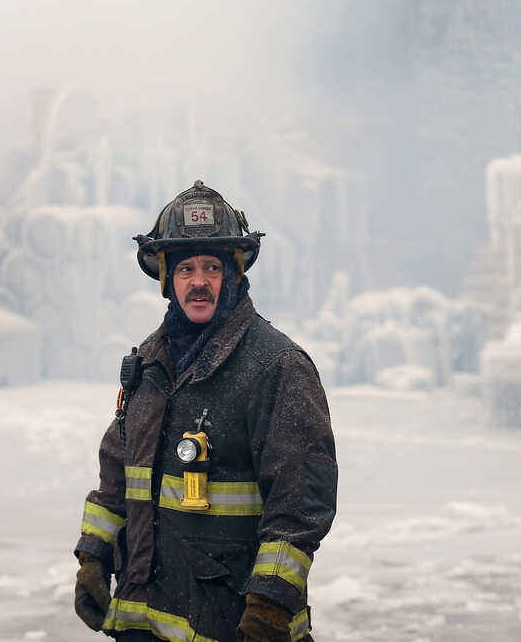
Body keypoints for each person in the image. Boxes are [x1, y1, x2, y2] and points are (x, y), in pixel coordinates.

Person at [73, 180, 338, 642]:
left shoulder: (277, 367)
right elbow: (119, 472)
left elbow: (301, 501)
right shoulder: (150, 364)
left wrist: (270, 604)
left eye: (212, 267)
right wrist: (94, 556)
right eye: (186, 268)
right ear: (167, 280)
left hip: (234, 623)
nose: (198, 281)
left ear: (233, 274)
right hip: (144, 620)